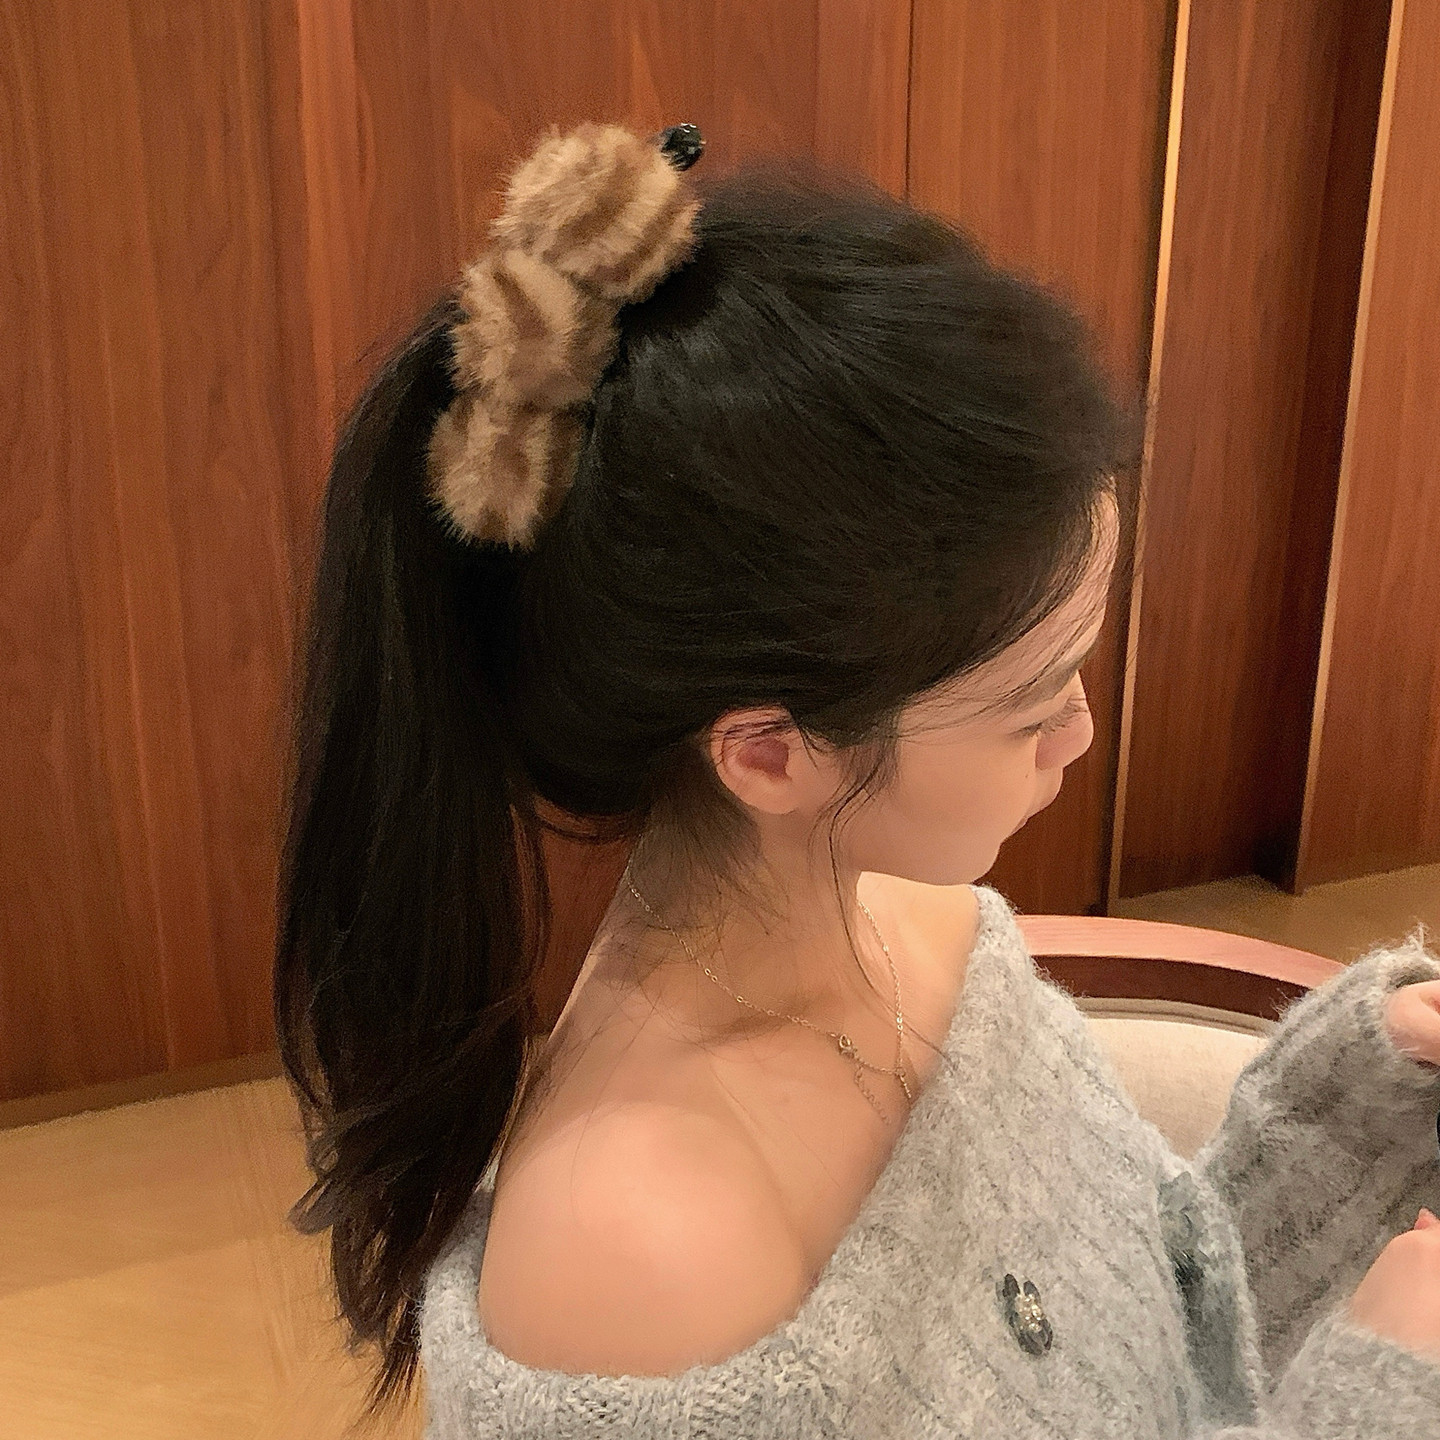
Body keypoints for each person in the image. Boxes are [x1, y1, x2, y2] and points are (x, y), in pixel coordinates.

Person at [274, 122, 1440, 1437]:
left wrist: (1348, 1117)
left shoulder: (921, 926)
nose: (1080, 732)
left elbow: (1143, 1355)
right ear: (771, 754)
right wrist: (1378, 1406)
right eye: (1030, 703)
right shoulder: (647, 1258)